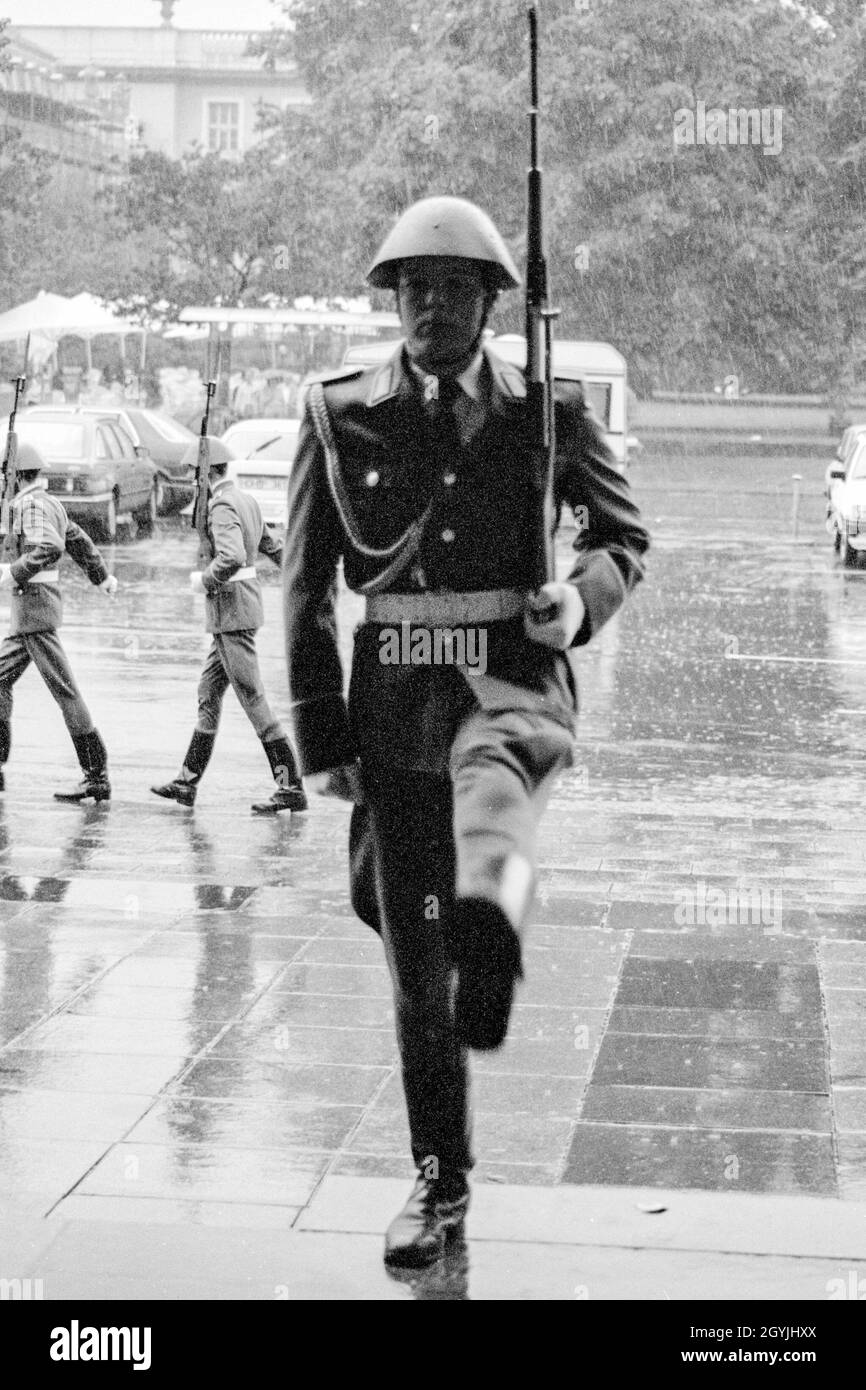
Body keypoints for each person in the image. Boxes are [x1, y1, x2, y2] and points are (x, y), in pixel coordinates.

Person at [282, 195, 650, 1268]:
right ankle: (441, 1147)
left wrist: (576, 601)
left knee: (491, 809)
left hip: (511, 677)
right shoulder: (336, 410)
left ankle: (491, 933)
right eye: (413, 289)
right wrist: (321, 737)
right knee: (409, 955)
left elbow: (623, 538)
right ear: (391, 300)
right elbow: (304, 586)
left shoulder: (547, 408)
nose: (431, 306)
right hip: (393, 699)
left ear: (491, 304)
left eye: (454, 289)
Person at [151, 437, 306, 816]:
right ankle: (187, 782)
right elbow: (272, 546)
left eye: (193, 474)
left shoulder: (221, 504)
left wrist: (205, 579)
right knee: (208, 691)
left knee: (253, 699)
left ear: (205, 474)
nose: (191, 481)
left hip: (231, 615)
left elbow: (233, 556)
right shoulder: (245, 499)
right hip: (234, 616)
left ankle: (290, 785)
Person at [0, 442, 117, 801]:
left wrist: (13, 572)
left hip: (35, 612)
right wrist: (102, 577)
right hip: (31, 615)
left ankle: (96, 774)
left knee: (65, 691)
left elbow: (50, 546)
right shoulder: (48, 503)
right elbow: (78, 541)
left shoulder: (31, 505)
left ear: (16, 476)